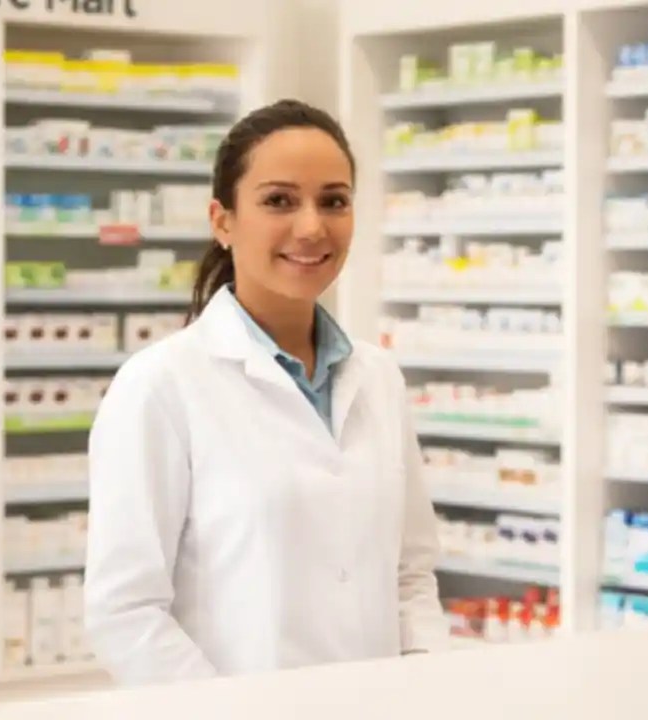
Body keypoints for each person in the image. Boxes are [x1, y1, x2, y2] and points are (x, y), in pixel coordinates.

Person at [83, 99, 449, 685]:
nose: (312, 226)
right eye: (279, 200)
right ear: (222, 221)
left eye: (334, 200)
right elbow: (124, 612)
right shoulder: (160, 386)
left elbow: (410, 576)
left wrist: (425, 685)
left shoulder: (379, 377)